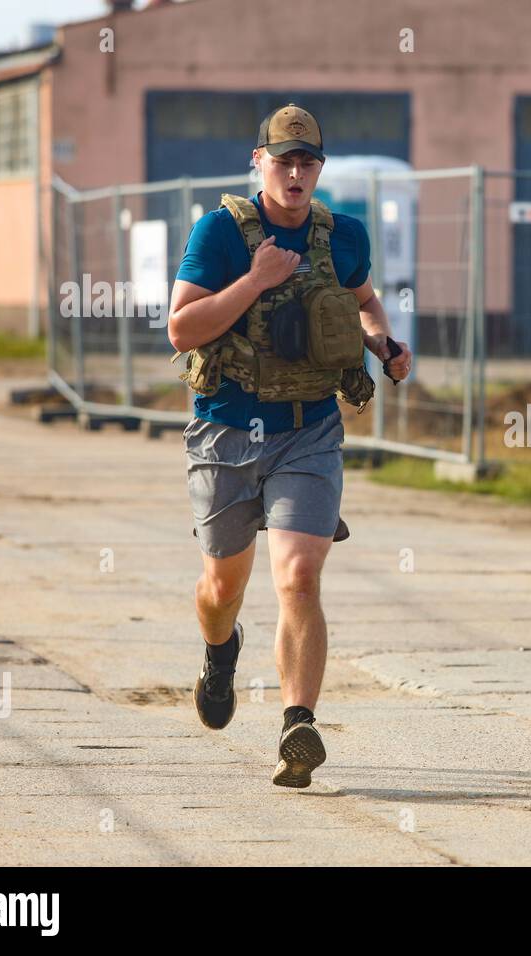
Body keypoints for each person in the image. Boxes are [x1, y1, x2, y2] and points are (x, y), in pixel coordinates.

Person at [167, 103, 411, 787]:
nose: (296, 172)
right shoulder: (220, 233)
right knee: (222, 588)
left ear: (319, 168)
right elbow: (181, 330)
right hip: (225, 430)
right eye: (283, 160)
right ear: (260, 163)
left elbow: (361, 301)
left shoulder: (344, 236)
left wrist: (383, 344)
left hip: (308, 430)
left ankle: (296, 724)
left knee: (300, 577)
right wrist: (256, 280)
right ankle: (221, 654)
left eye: (307, 161)